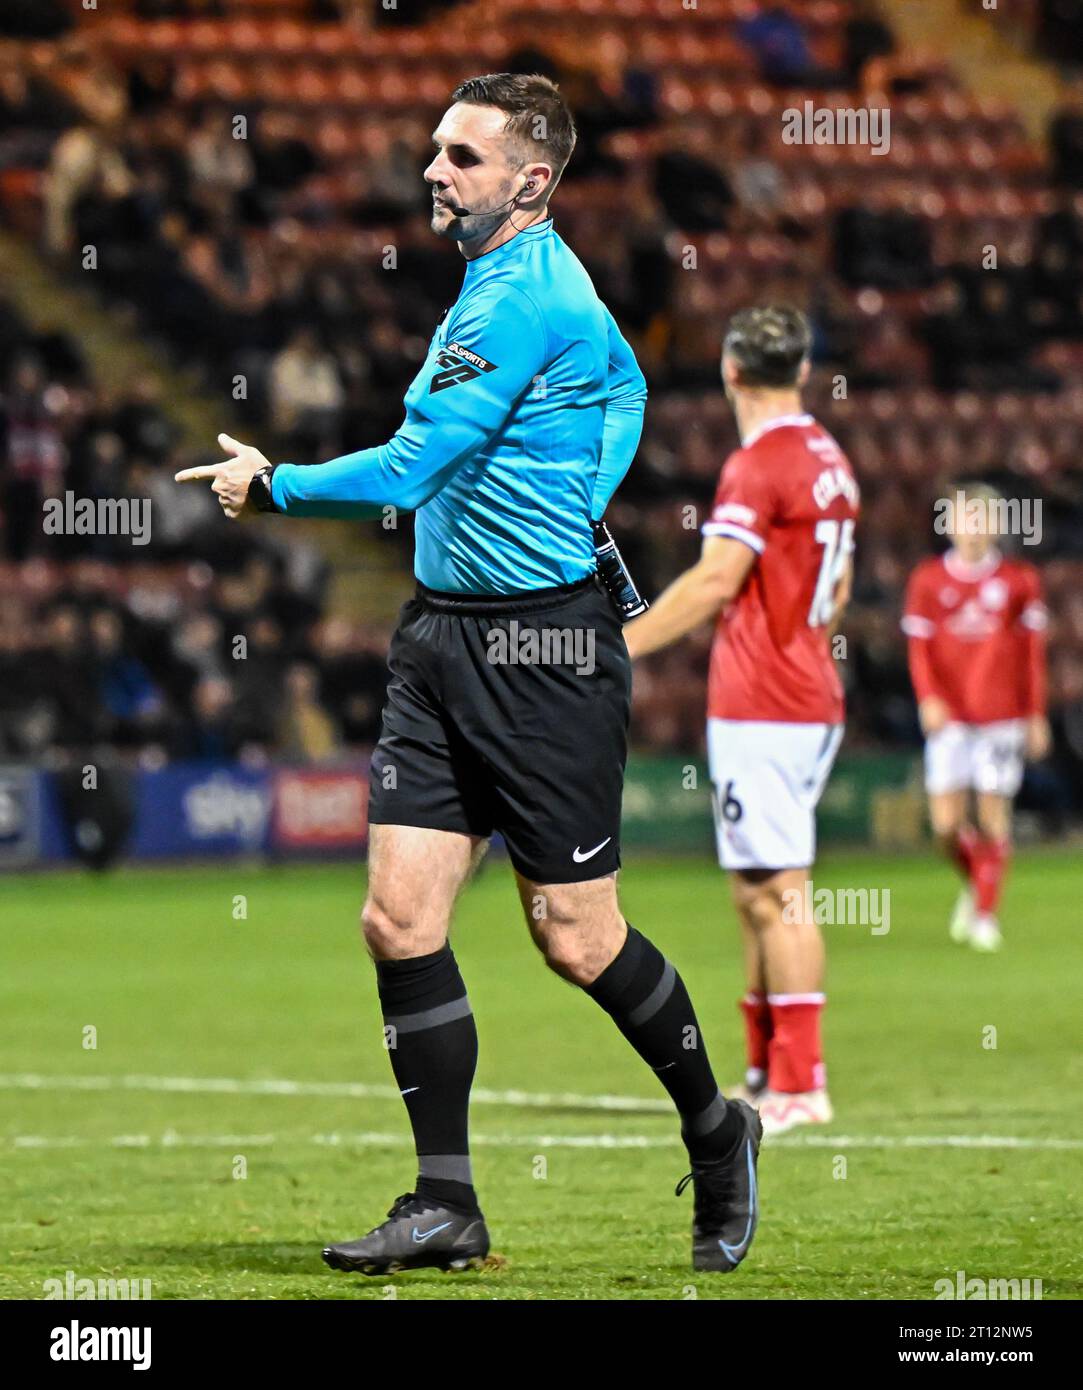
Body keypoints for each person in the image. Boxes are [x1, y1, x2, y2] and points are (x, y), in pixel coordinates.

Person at [177, 73, 761, 1276]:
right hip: (441, 639)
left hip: (543, 654)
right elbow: (628, 385)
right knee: (397, 917)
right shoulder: (507, 289)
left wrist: (273, 484)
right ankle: (446, 1202)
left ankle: (718, 1130)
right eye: (435, 150)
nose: (433, 171)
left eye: (461, 156)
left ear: (530, 181)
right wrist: (585, 489)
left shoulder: (523, 298)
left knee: (577, 937)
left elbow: (406, 468)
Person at [624, 306, 859, 1137]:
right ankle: (766, 1067)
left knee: (779, 893)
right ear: (798, 370)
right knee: (755, 891)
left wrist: (625, 647)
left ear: (729, 371)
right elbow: (832, 594)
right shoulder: (828, 458)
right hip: (805, 693)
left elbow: (715, 580)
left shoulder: (758, 465)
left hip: (765, 703)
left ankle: (801, 1081)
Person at [902, 485, 1049, 952]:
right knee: (945, 826)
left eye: (982, 519)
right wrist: (928, 698)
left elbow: (1032, 656)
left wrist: (1035, 714)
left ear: (997, 525)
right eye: (966, 519)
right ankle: (977, 880)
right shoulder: (927, 580)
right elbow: (919, 649)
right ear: (950, 525)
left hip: (1001, 715)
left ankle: (985, 913)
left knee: (992, 815)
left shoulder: (1019, 580)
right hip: (950, 719)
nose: (974, 528)